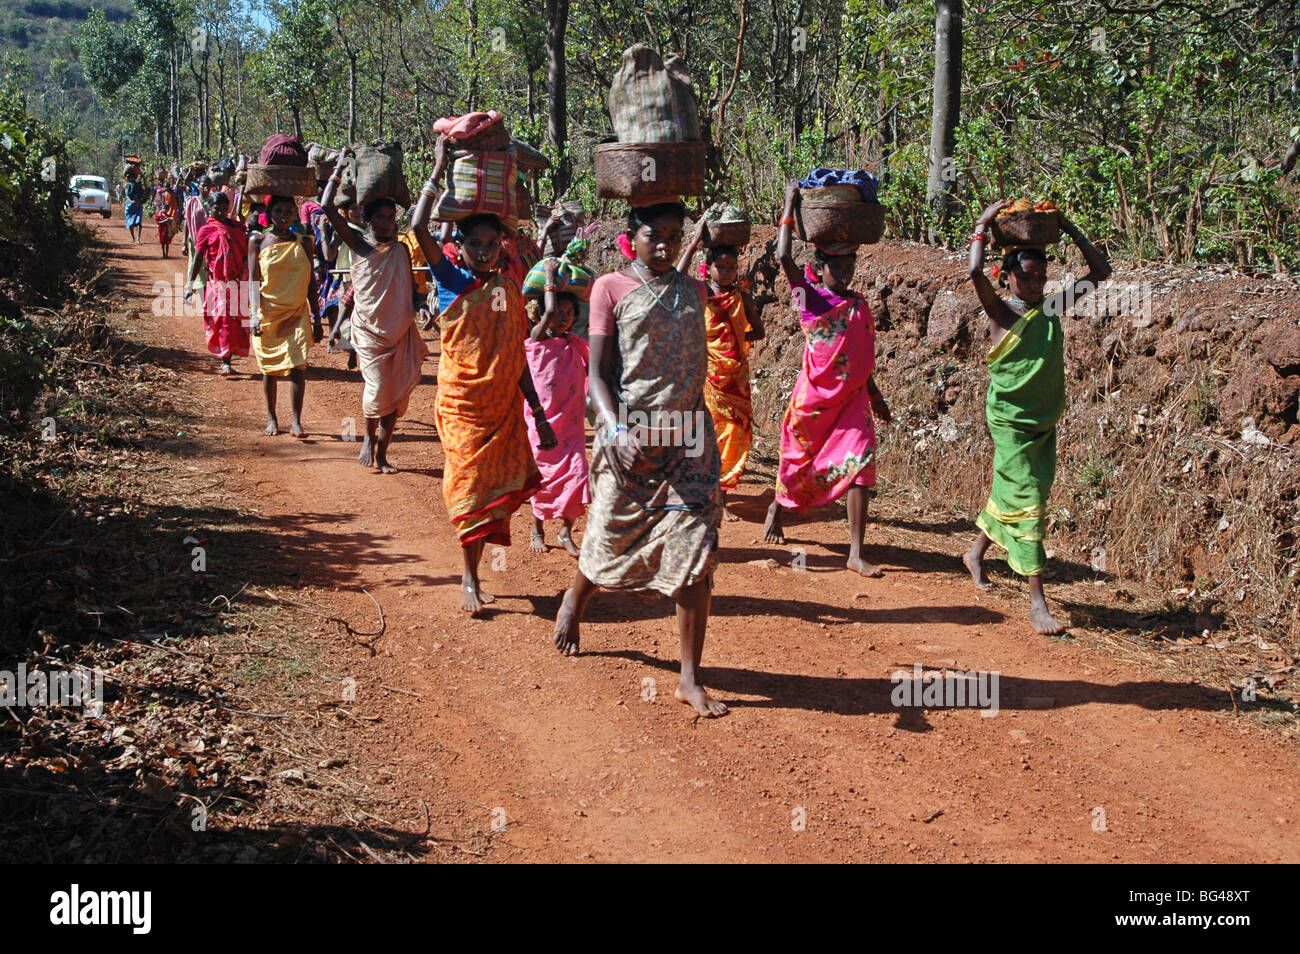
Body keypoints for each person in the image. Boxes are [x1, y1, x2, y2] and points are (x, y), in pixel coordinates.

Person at [552, 200, 728, 718]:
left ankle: (689, 678)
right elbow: (598, 375)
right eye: (656, 233)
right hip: (630, 439)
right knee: (606, 538)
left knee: (696, 553)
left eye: (676, 234)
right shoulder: (610, 288)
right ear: (633, 234)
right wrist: (613, 428)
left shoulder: (694, 290)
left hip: (689, 440)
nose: (666, 242)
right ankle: (576, 599)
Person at [410, 134, 556, 614]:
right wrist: (437, 169)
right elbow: (416, 225)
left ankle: (474, 571)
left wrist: (538, 410)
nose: (485, 250)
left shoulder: (508, 285)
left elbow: (514, 353)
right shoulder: (450, 280)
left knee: (492, 484)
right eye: (475, 243)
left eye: (492, 244)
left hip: (502, 406)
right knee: (469, 482)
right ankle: (470, 577)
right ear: (460, 243)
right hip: (461, 406)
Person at [964, 199, 1111, 635]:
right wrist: (983, 223)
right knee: (1030, 500)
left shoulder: (1050, 309)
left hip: (1043, 424)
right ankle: (1037, 603)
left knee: (1019, 493)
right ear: (1006, 276)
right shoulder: (1002, 312)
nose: (1034, 282)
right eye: (1025, 276)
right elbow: (974, 272)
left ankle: (975, 552)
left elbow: (1101, 273)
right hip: (1010, 422)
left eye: (1041, 276)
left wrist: (1070, 228)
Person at [763, 181, 892, 576]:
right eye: (836, 266)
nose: (845, 272)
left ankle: (855, 552)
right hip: (814, 400)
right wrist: (789, 205)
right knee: (799, 464)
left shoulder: (858, 304)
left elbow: (861, 360)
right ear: (818, 269)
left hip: (852, 400)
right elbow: (784, 256)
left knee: (860, 461)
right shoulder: (810, 299)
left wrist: (875, 395)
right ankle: (777, 507)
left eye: (850, 266)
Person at [321, 153, 428, 473]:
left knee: (395, 399)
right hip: (369, 334)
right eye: (379, 218)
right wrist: (337, 171)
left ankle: (382, 453)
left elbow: (413, 287)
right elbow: (328, 207)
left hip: (402, 332)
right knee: (377, 390)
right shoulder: (359, 244)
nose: (386, 223)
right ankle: (368, 439)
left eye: (390, 218)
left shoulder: (402, 249)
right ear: (367, 220)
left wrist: (421, 305)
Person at [677, 221, 764, 519]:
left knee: (735, 433)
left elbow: (759, 331)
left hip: (736, 378)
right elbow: (676, 277)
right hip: (708, 377)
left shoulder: (742, 298)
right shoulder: (700, 295)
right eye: (721, 267)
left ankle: (722, 496)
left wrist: (737, 339)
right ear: (708, 268)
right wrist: (693, 243)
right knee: (711, 433)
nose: (726, 272)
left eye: (731, 267)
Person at [525, 259, 590, 556]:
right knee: (542, 479)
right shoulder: (536, 339)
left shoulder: (575, 344)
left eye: (569, 313)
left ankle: (566, 531)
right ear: (540, 315)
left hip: (572, 426)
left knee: (577, 478)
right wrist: (550, 275)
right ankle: (537, 529)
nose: (562, 318)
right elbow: (549, 311)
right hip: (542, 423)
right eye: (556, 313)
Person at [248, 194, 320, 437]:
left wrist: (317, 318)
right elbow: (253, 280)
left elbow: (311, 283)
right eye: (278, 210)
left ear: (294, 215)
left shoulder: (305, 242)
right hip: (268, 312)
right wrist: (255, 315)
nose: (284, 215)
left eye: (289, 211)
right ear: (269, 214)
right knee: (269, 368)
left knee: (298, 366)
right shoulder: (257, 241)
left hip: (297, 311)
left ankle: (296, 421)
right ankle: (271, 417)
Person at [184, 191, 249, 376]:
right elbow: (198, 258)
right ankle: (225, 361)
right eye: (216, 208)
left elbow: (245, 253)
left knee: (238, 321)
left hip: (238, 281)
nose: (221, 212)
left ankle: (229, 355)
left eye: (224, 208)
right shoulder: (206, 230)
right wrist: (189, 284)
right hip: (218, 283)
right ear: (209, 208)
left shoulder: (238, 228)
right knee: (224, 321)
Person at [183, 177, 210, 281]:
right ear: (198, 187)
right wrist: (183, 243)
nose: (206, 188)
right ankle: (191, 288)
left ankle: (204, 291)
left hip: (209, 241)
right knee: (194, 263)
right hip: (194, 239)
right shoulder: (192, 201)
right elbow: (187, 221)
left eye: (208, 185)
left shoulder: (213, 202)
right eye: (203, 185)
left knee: (206, 267)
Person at [122, 170, 144, 243]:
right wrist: (131, 201)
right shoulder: (128, 185)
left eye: (134, 177)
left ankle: (138, 239)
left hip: (137, 206)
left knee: (138, 223)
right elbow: (127, 195)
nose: (133, 178)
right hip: (130, 206)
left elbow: (142, 194)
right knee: (131, 224)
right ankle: (133, 238)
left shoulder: (138, 185)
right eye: (132, 177)